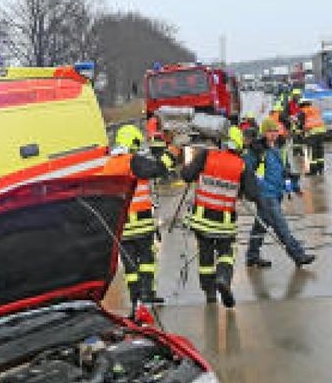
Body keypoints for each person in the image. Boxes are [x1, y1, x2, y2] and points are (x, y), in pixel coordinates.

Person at [180, 125, 258, 308]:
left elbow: (186, 176)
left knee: (205, 255)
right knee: (227, 253)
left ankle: (210, 294)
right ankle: (223, 278)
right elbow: (253, 194)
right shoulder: (241, 165)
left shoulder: (206, 155)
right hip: (224, 223)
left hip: (202, 220)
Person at [109, 124, 177, 308]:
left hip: (121, 227)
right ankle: (147, 293)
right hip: (140, 224)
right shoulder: (132, 161)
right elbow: (157, 168)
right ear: (132, 141)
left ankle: (134, 297)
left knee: (130, 267)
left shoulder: (110, 164)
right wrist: (172, 152)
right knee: (146, 260)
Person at [243, 118, 316, 268]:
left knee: (260, 225)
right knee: (281, 227)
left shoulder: (277, 150)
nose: (274, 134)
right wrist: (254, 189)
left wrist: (295, 187)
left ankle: (252, 255)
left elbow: (285, 173)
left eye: (275, 131)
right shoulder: (257, 150)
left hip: (275, 194)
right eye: (270, 131)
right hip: (265, 195)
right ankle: (298, 255)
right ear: (263, 133)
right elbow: (246, 170)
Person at [297, 96, 327, 175]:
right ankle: (320, 169)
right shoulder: (315, 110)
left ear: (301, 105)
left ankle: (313, 170)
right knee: (319, 150)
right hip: (322, 132)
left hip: (312, 134)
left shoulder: (303, 112)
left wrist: (300, 132)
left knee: (312, 152)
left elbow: (300, 124)